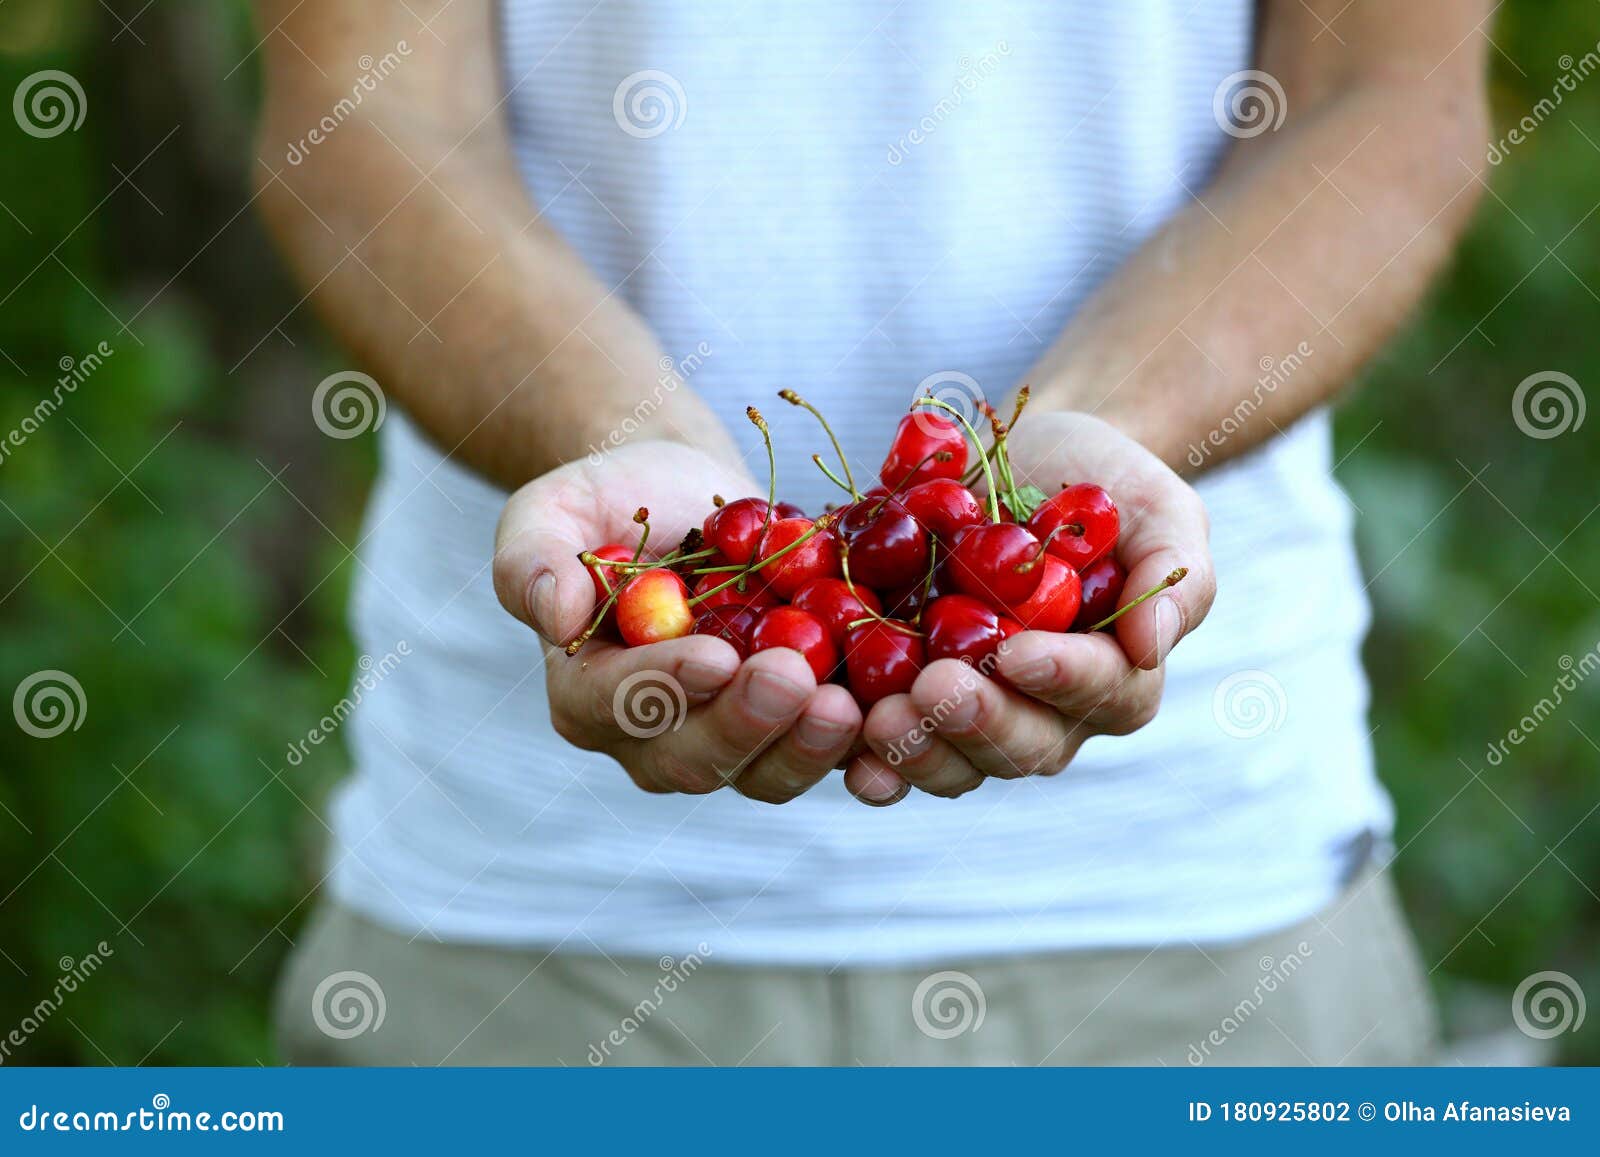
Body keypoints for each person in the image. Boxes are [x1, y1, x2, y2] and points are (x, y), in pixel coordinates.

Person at [258, 0, 1488, 1065]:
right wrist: (609, 428)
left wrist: (1098, 434)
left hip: (1196, 912)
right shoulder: (753, 576)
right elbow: (366, 116)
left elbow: (1384, 100)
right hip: (529, 922)